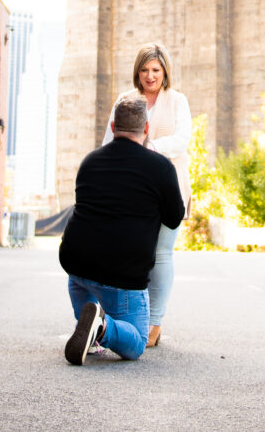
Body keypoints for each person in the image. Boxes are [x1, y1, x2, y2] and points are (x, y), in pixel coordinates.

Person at [60, 92, 184, 364]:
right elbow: (175, 217)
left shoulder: (89, 161)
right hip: (122, 277)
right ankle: (102, 328)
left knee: (87, 276)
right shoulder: (161, 168)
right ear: (147, 129)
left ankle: (89, 320)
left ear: (113, 128)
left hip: (78, 270)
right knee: (137, 344)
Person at [104, 43, 192, 348]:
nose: (150, 75)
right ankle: (121, 316)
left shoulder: (177, 100)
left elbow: (182, 141)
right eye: (144, 69)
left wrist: (147, 148)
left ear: (165, 71)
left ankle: (154, 323)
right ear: (137, 72)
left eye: (155, 69)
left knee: (161, 254)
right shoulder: (125, 100)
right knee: (128, 253)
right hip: (132, 190)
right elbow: (109, 139)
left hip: (169, 187)